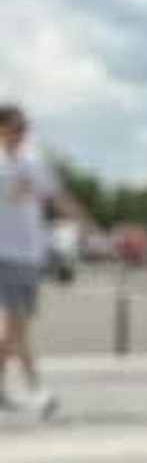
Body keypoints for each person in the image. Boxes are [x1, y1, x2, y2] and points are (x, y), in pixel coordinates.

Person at [0, 101, 92, 417]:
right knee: (17, 328)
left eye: (25, 127)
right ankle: (37, 390)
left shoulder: (33, 162)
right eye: (16, 127)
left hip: (30, 256)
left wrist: (89, 227)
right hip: (4, 255)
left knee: (14, 329)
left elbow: (59, 197)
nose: (22, 133)